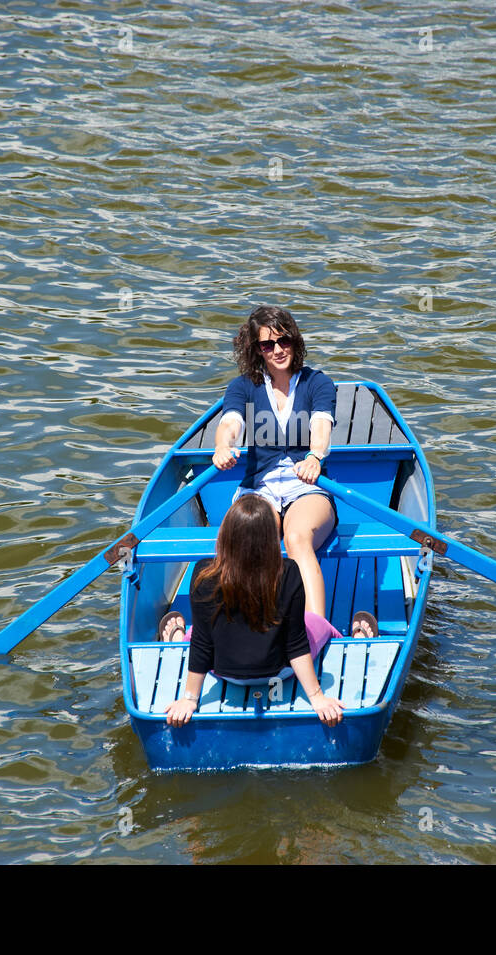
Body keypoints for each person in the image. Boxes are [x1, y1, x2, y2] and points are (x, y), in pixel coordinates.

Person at [163, 495, 376, 727]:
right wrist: (316, 697)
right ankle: (355, 641)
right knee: (317, 622)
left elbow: (203, 643)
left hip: (223, 673)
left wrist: (189, 699)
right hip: (280, 673)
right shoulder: (288, 572)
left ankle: (178, 638)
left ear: (226, 536)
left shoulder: (203, 573)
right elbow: (296, 644)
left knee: (196, 631)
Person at [211, 305, 339, 620]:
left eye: (284, 341)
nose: (278, 350)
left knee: (297, 539)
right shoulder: (243, 386)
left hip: (306, 484)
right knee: (250, 539)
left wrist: (314, 456)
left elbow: (321, 427)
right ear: (257, 349)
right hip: (260, 486)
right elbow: (230, 424)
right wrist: (222, 446)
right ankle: (249, 628)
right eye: (267, 344)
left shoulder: (317, 383)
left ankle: (315, 629)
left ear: (295, 341)